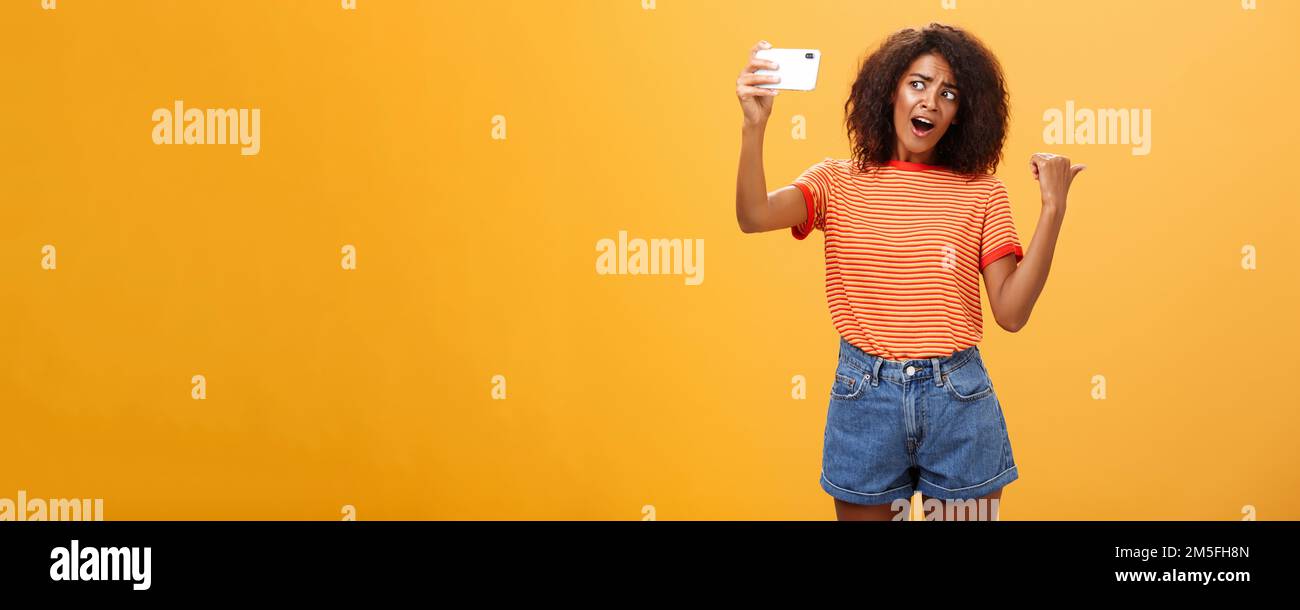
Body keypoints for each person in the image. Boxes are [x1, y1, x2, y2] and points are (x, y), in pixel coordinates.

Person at [734, 24, 1085, 521]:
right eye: (918, 84)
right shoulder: (836, 180)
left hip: (958, 401)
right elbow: (753, 216)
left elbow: (1011, 313)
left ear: (962, 114)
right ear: (889, 90)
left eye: (949, 94)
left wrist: (1053, 208)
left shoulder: (981, 193)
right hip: (864, 398)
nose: (931, 102)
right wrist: (754, 126)